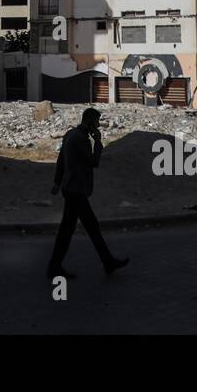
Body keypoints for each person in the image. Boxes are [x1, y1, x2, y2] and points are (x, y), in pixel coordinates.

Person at [47, 107, 130, 279]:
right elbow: (94, 162)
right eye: (96, 122)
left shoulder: (71, 134)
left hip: (70, 188)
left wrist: (57, 182)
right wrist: (98, 143)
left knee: (82, 228)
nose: (98, 125)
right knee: (79, 229)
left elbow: (61, 160)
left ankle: (107, 262)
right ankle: (56, 267)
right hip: (76, 190)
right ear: (90, 121)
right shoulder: (81, 139)